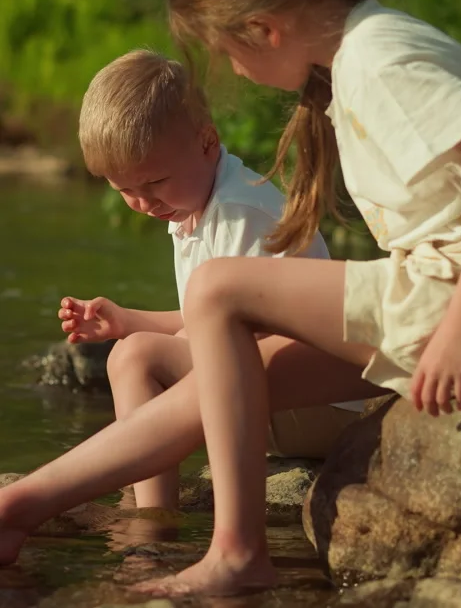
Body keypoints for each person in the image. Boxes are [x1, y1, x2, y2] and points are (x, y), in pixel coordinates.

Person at [3, 0, 461, 597]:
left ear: (262, 26)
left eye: (221, 49)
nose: (228, 71)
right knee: (233, 381)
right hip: (427, 290)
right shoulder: (357, 61)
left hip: (449, 299)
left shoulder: (381, 58)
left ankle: (236, 549)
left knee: (219, 285)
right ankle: (23, 504)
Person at [57, 49, 363, 511]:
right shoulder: (188, 205)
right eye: (125, 191)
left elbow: (258, 327)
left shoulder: (241, 211)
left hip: (320, 405)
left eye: (154, 182)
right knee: (133, 345)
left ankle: (152, 518)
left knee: (136, 359)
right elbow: (209, 318)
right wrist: (126, 320)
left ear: (207, 143)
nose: (143, 203)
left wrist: (149, 341)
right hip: (270, 392)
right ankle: (145, 490)